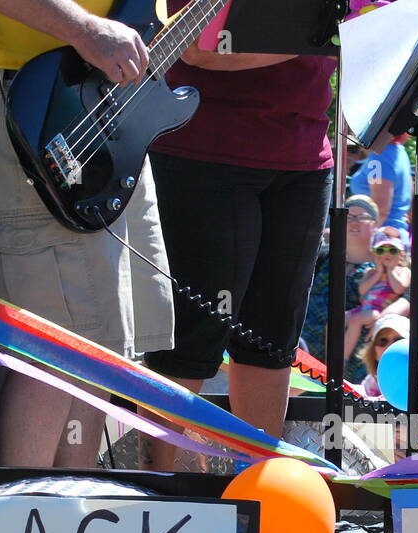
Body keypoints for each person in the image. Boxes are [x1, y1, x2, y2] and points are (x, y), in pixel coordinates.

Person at [0, 0, 172, 469]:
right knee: (52, 347)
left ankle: (74, 508)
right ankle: (26, 516)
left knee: (99, 349)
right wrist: (85, 29)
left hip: (103, 113)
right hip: (35, 108)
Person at [143, 0, 336, 468]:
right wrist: (330, 29)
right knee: (187, 343)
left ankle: (258, 490)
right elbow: (196, 50)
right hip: (205, 151)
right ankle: (149, 488)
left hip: (304, 157)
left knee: (271, 345)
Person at [300, 194, 378, 358]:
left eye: (362, 217)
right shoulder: (320, 256)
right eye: (348, 216)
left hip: (353, 358)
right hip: (306, 353)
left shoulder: (384, 264)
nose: (354, 222)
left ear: (375, 225)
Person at [347, 232, 409, 363]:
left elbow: (400, 288)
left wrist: (391, 270)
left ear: (401, 254)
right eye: (381, 250)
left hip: (379, 312)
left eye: (392, 250)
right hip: (364, 308)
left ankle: (342, 358)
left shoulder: (402, 271)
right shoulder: (371, 272)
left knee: (355, 321)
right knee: (335, 321)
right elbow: (362, 290)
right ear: (374, 254)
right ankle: (329, 353)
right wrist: (379, 272)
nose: (387, 254)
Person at [349, 135, 412, 237]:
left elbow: (380, 209)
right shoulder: (398, 151)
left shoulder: (379, 157)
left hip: (381, 238)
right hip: (390, 235)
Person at [356, 314, 408, 399]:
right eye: (383, 340)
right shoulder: (369, 383)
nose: (390, 346)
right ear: (374, 352)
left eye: (398, 340)